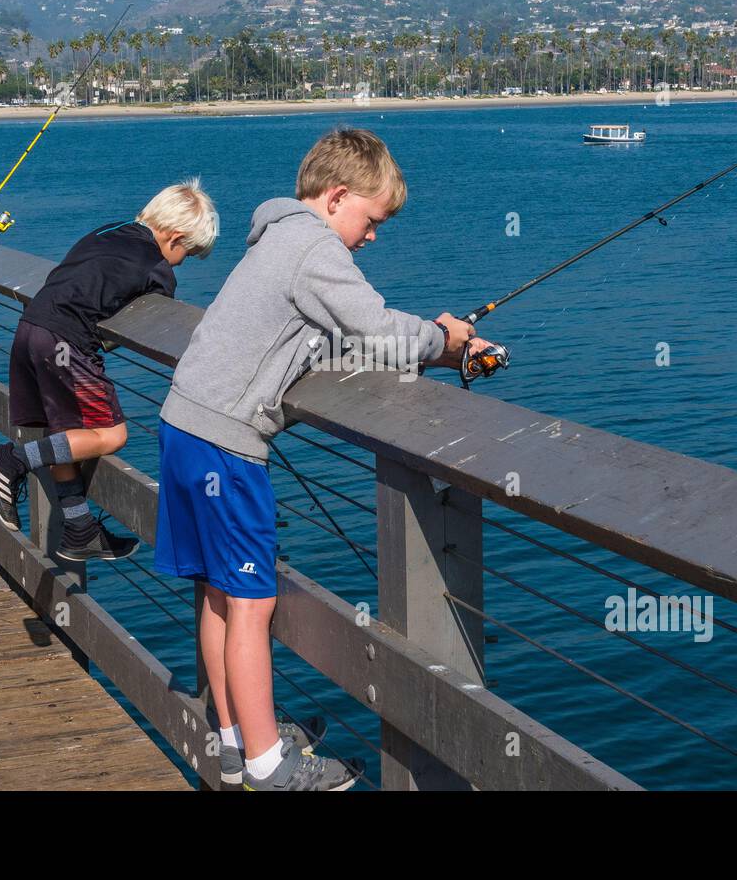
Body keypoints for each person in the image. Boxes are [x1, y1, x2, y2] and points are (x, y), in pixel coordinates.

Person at [154, 128, 489, 790]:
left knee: (218, 598)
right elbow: (378, 325)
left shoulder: (276, 240)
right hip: (227, 444)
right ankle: (268, 765)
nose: (371, 237)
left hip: (182, 426)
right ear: (338, 198)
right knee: (251, 601)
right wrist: (443, 339)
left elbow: (322, 346)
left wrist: (428, 350)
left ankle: (233, 739)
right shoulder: (314, 248)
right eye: (371, 220)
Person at [0, 179, 217, 563]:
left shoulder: (109, 231)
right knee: (112, 434)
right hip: (66, 341)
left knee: (68, 434)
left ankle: (79, 528)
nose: (184, 261)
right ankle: (10, 460)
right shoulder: (156, 266)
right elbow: (152, 314)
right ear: (174, 237)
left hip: (31, 327)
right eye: (188, 251)